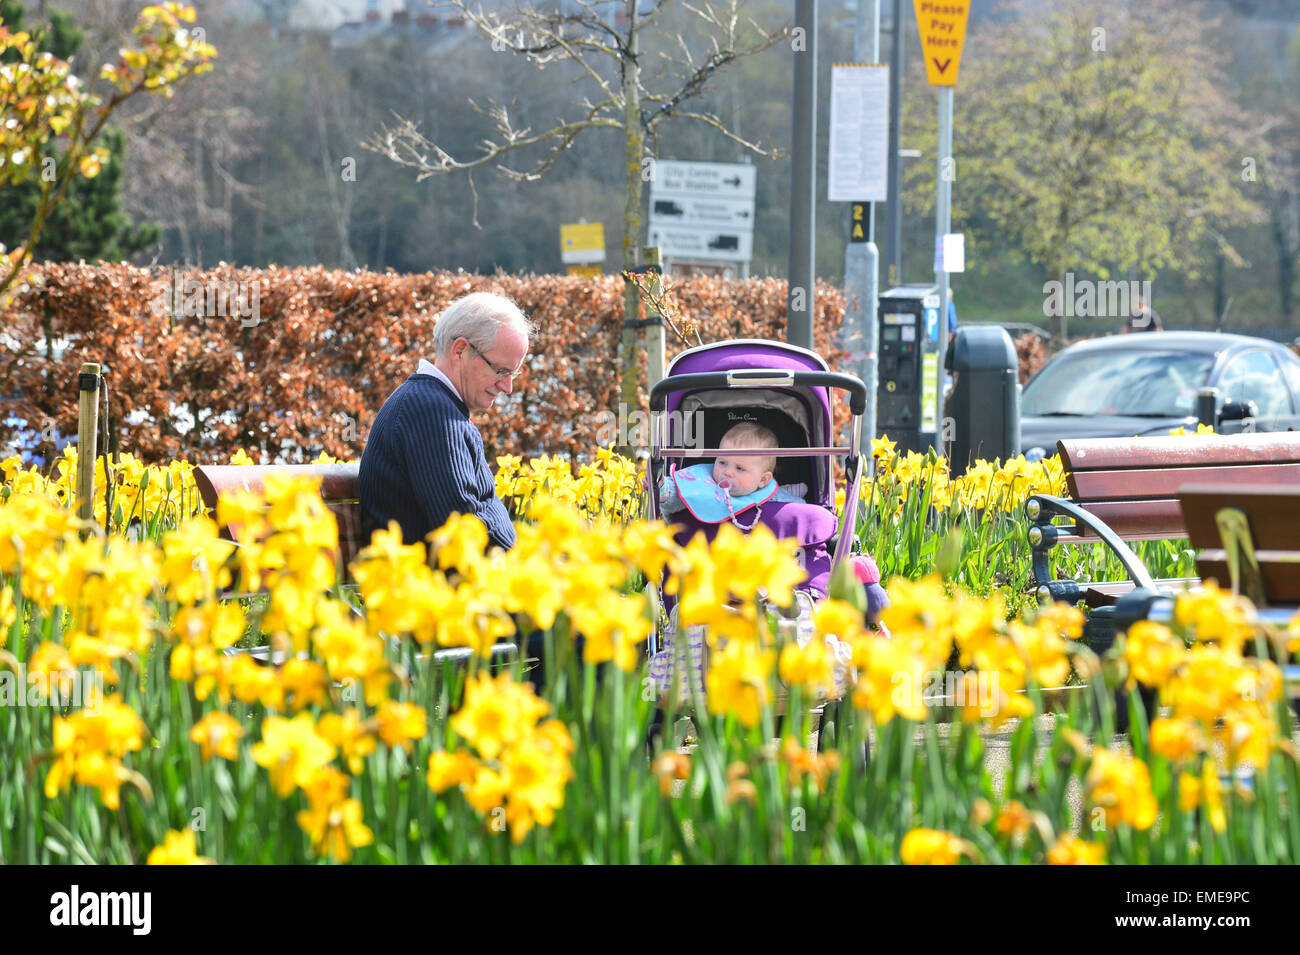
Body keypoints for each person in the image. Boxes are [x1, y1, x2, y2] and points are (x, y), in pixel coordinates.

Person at [359, 291, 533, 552]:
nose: (507, 387)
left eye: (513, 374)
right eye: (501, 370)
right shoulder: (430, 412)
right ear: (460, 350)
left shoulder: (432, 404)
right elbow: (461, 529)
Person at [657, 421, 807, 526]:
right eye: (722, 463)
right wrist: (662, 487)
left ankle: (790, 489)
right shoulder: (705, 483)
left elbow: (798, 510)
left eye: (740, 468)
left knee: (782, 497)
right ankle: (791, 488)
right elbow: (683, 492)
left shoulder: (766, 492)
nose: (728, 472)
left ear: (763, 480)